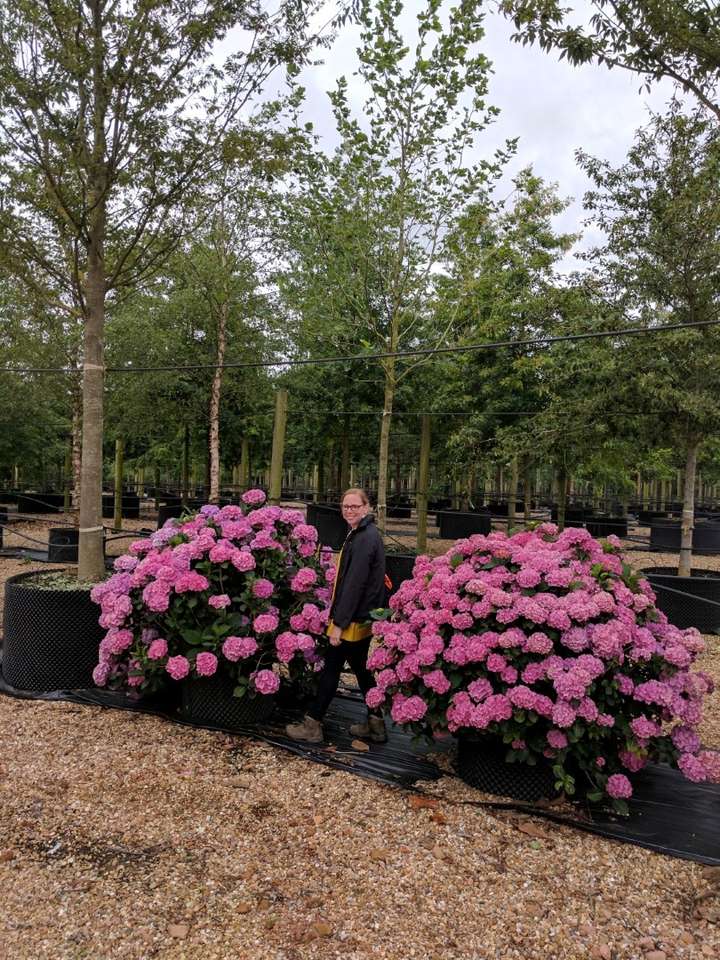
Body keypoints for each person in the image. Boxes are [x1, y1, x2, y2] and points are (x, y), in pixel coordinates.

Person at [286, 487, 387, 744]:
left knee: (332, 668)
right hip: (360, 616)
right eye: (345, 506)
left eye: (355, 506)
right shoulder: (363, 533)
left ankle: (313, 724)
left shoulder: (365, 538)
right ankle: (376, 723)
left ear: (367, 508)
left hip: (352, 619)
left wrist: (339, 624)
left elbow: (354, 585)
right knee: (361, 669)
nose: (349, 510)